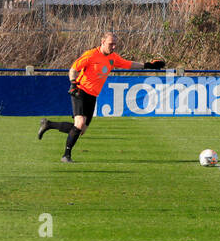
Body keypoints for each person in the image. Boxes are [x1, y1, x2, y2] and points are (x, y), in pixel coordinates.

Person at [38, 32, 165, 163]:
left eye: (115, 44)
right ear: (102, 42)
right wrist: (73, 84)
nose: (114, 47)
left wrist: (147, 65)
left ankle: (48, 124)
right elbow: (73, 69)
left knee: (80, 130)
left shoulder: (113, 58)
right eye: (111, 44)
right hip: (80, 91)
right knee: (79, 123)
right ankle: (66, 156)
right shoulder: (91, 55)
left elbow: (129, 64)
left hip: (92, 95)